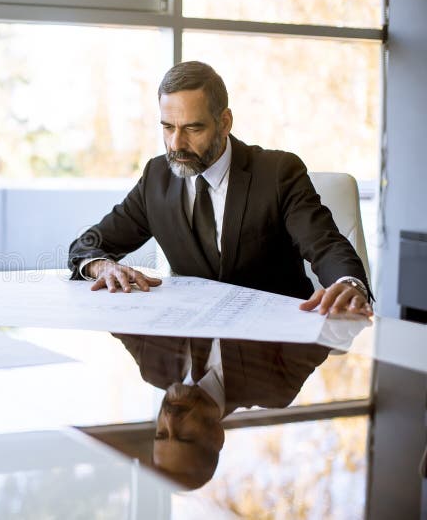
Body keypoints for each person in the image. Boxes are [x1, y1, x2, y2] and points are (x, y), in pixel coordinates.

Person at [68, 61, 372, 316]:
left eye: (192, 128)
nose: (176, 144)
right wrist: (100, 266)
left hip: (275, 351)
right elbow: (88, 243)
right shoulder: (156, 177)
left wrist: (349, 283)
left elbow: (326, 245)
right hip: (190, 346)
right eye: (168, 127)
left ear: (224, 122)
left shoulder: (278, 172)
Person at [116, 333, 331, 488]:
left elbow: (107, 300)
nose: (169, 419)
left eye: (161, 433)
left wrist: (97, 268)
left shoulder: (153, 365)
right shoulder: (273, 385)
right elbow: (331, 322)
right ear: (216, 436)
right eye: (184, 435)